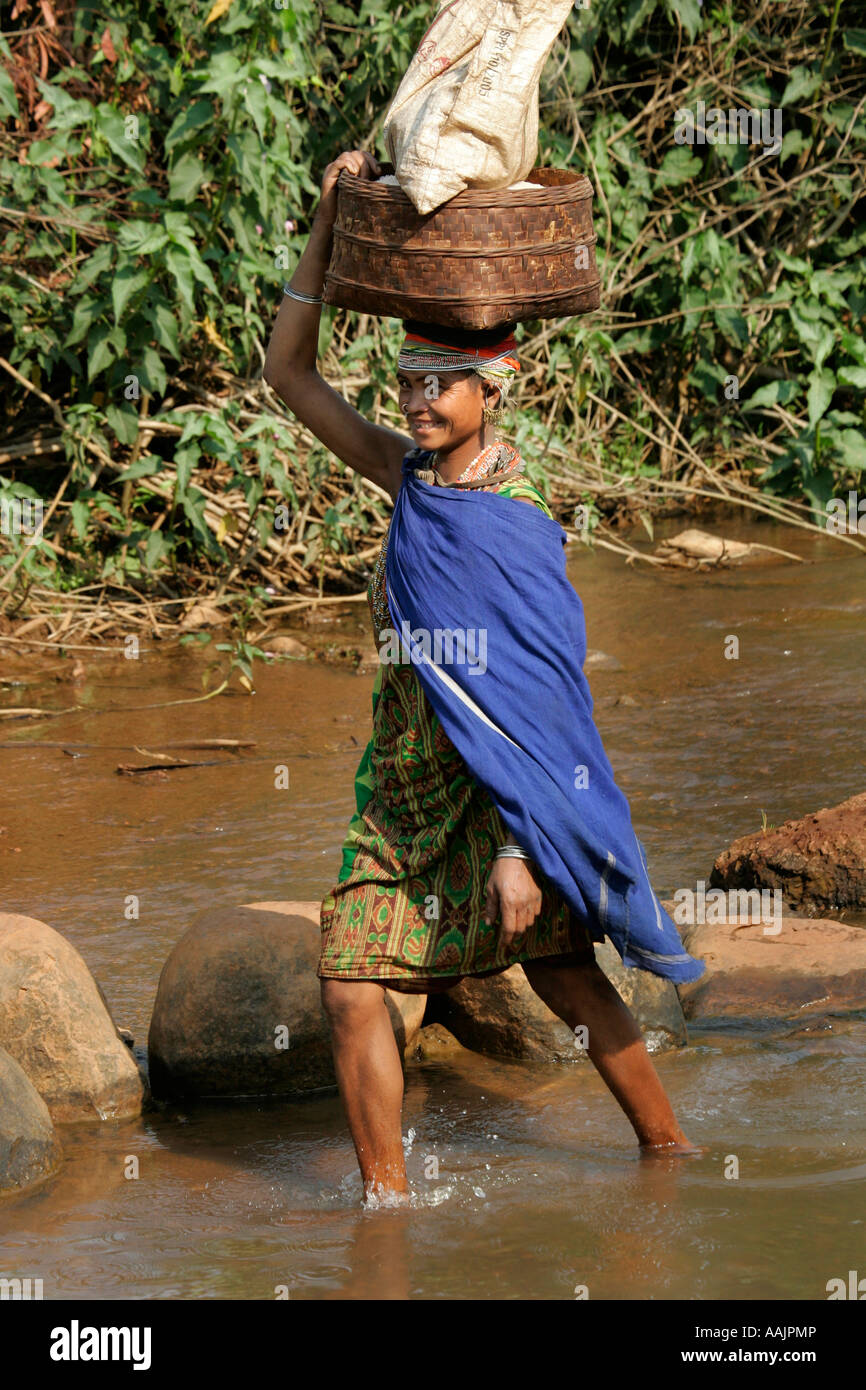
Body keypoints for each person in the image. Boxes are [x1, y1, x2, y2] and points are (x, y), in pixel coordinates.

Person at [264, 149, 702, 1204]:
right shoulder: (406, 476)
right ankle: (387, 1201)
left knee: (560, 974)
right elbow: (286, 375)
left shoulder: (515, 523)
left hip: (494, 789)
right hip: (407, 781)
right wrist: (329, 217)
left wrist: (518, 844)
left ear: (492, 388)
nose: (415, 399)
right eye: (407, 381)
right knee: (348, 980)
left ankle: (668, 1156)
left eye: (438, 384)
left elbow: (548, 699)